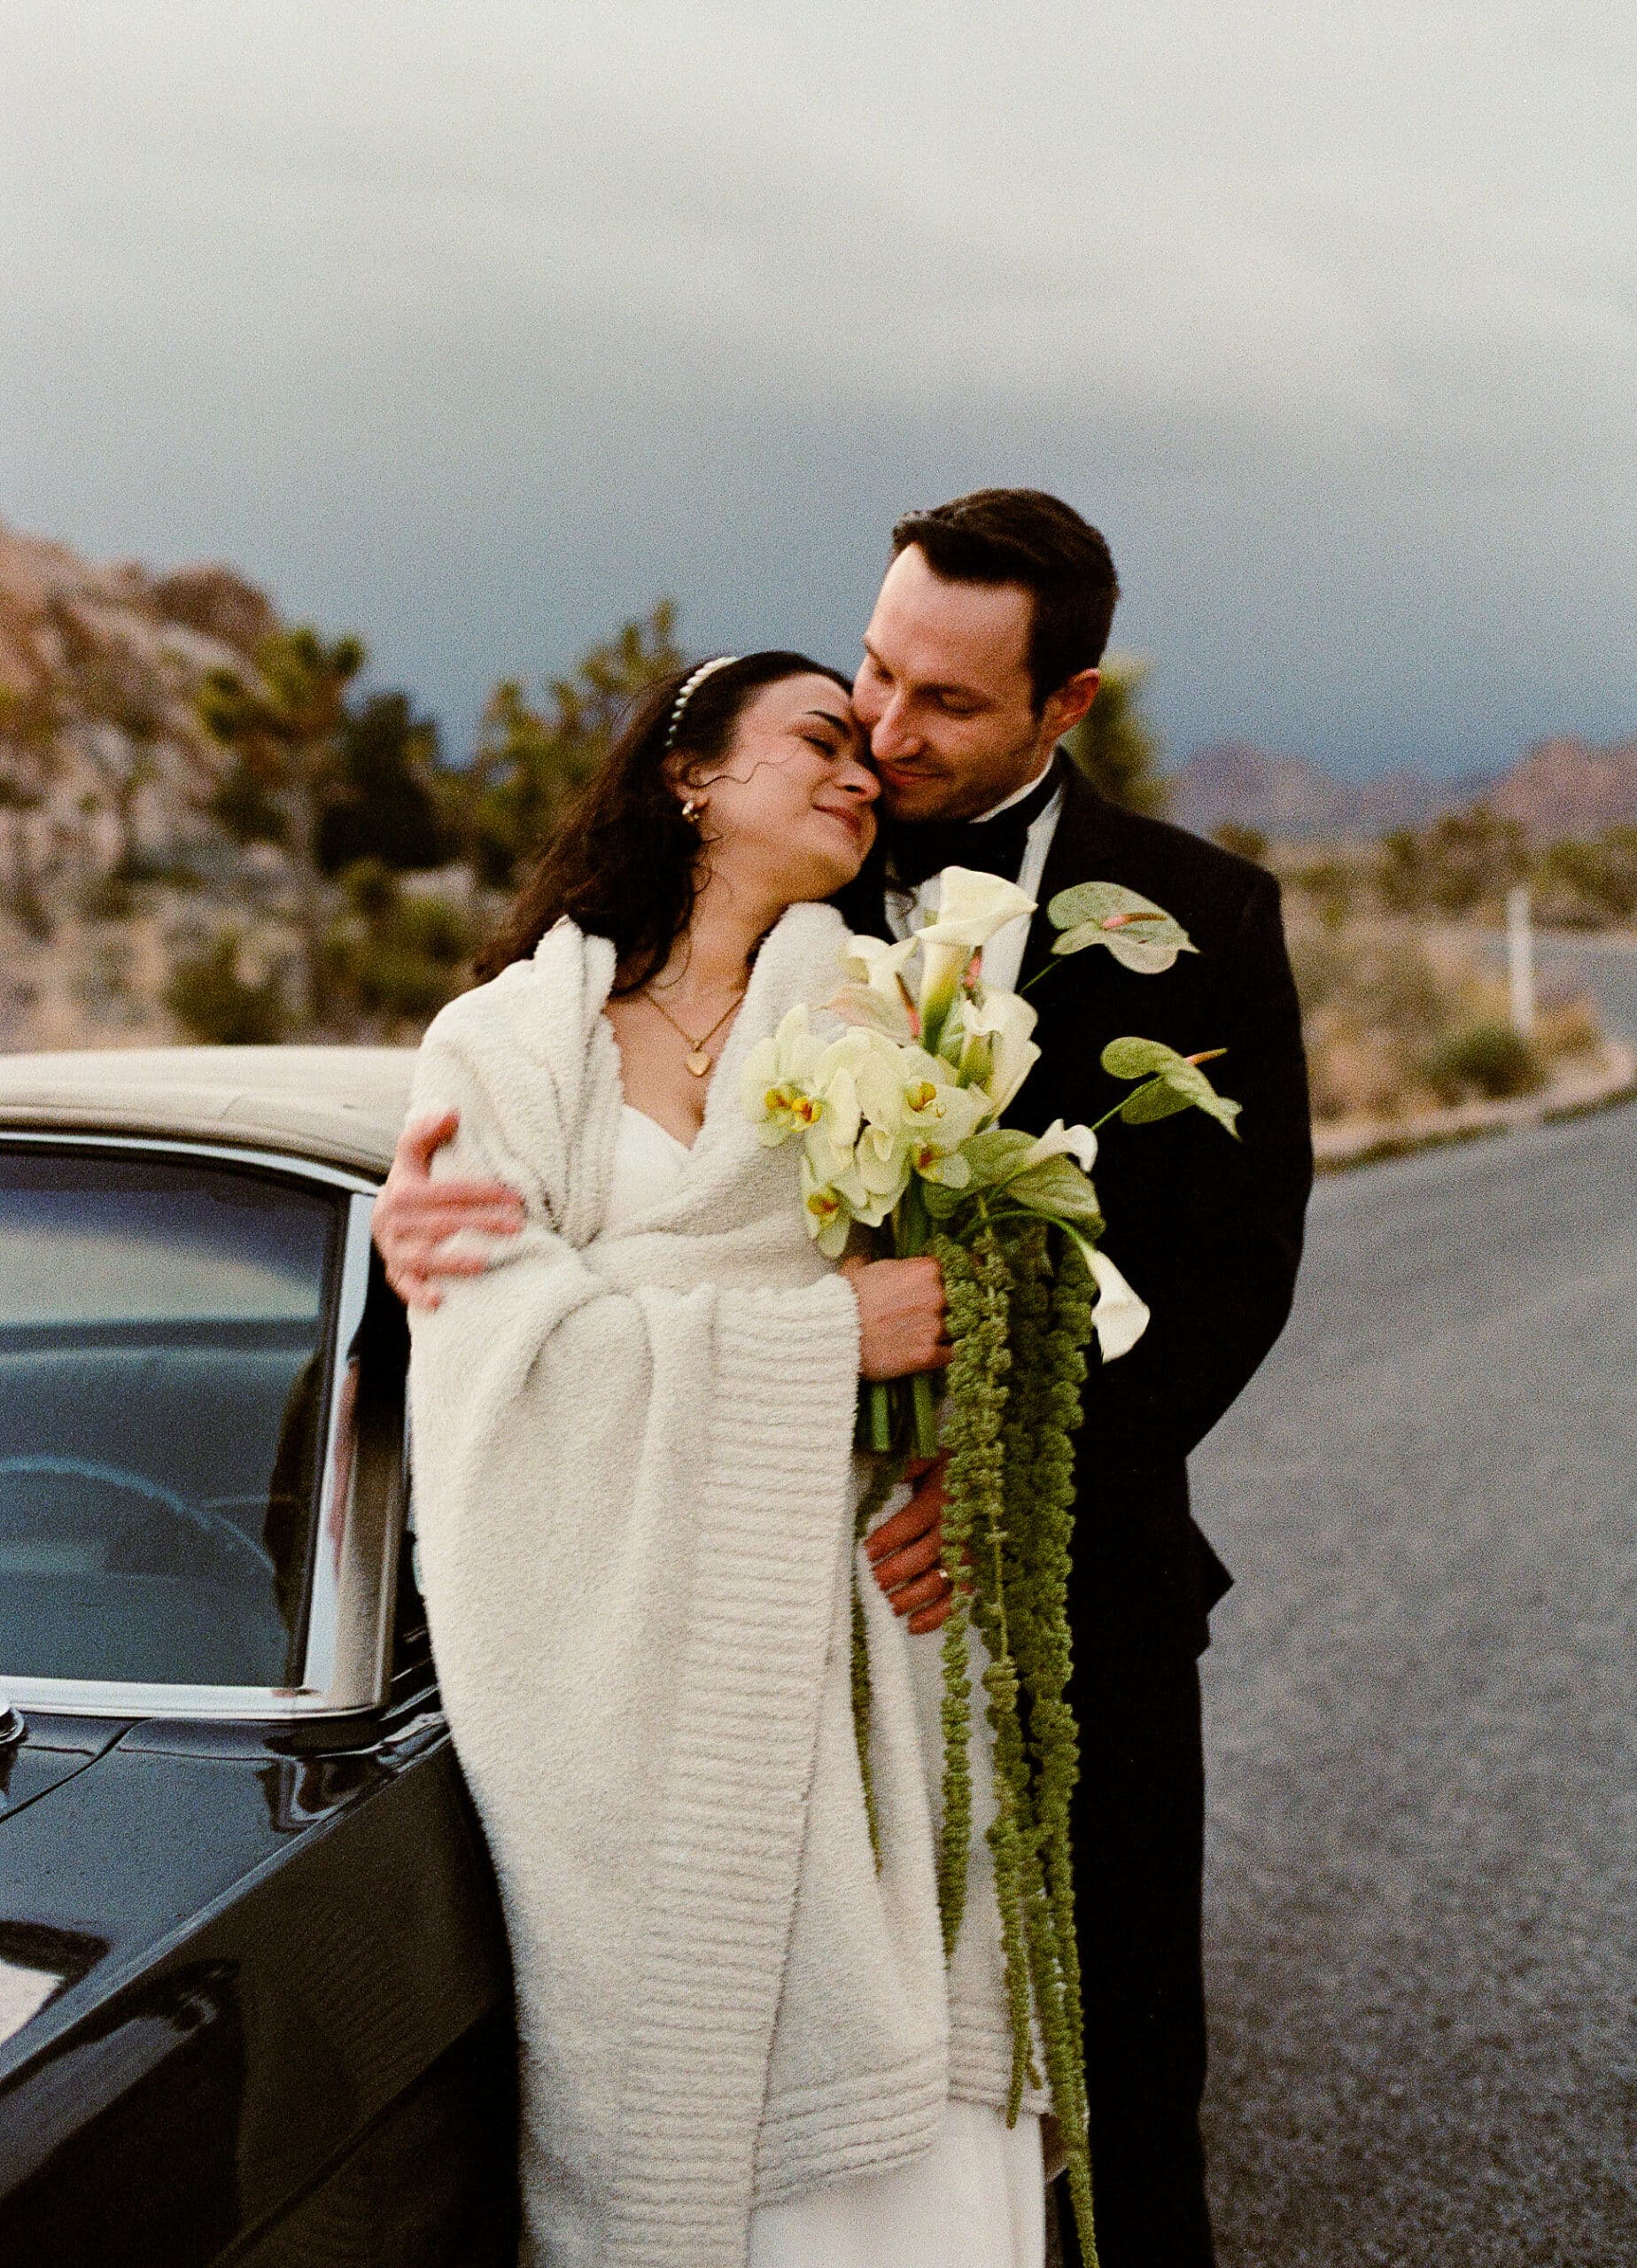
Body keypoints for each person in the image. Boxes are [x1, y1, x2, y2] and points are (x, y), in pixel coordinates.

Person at [378, 491, 1315, 2263]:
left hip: (1055, 1576)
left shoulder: (1198, 918)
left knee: (1118, 2084)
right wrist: (402, 1218)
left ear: (1064, 706)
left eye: (941, 706)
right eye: (871, 673)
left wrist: (998, 1466)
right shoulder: (787, 860)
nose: (882, 734)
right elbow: (536, 1121)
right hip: (714, 1619)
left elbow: (1222, 1273)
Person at [398, 649, 1052, 2268]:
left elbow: (978, 1314)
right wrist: (822, 1337)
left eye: (865, 754)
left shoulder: (904, 1024)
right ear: (688, 777)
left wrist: (955, 1455)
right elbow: (493, 1345)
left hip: (851, 1649)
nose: (859, 772)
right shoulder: (505, 1043)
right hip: (612, 1661)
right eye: (818, 740)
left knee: (894, 2146)